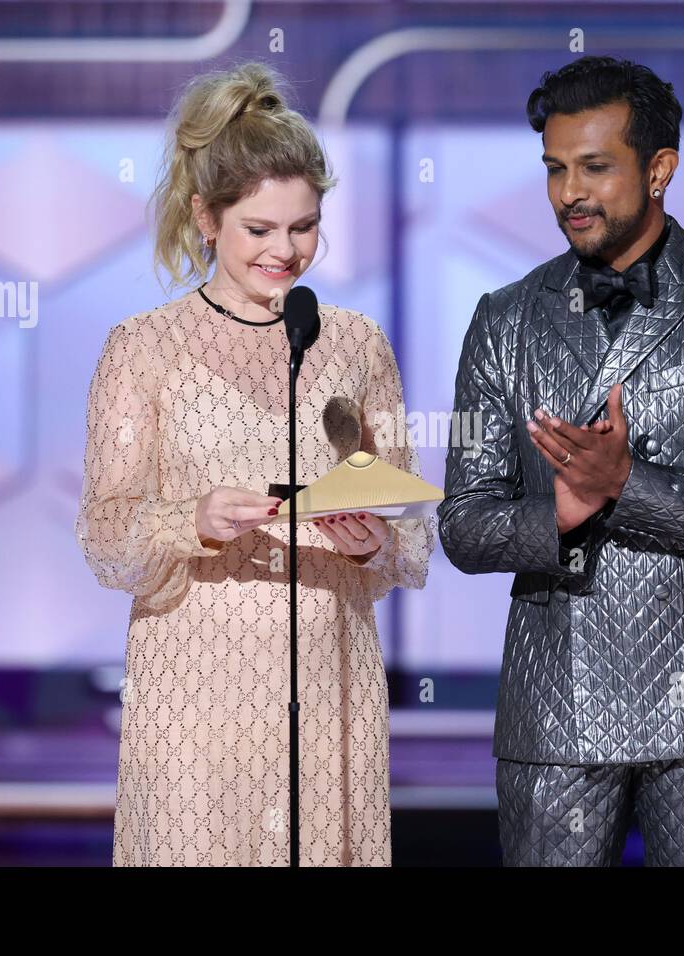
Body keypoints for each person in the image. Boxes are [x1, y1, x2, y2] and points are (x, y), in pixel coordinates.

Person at [438, 55, 684, 866]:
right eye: (555, 169)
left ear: (661, 170)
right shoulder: (504, 320)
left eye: (595, 167)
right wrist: (560, 515)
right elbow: (464, 526)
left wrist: (625, 487)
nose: (569, 192)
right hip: (556, 696)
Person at [75, 61, 434, 866]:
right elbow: (105, 533)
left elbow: (406, 522)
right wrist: (192, 519)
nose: (286, 250)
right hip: (195, 685)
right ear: (206, 217)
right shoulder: (142, 350)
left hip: (329, 675)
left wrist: (375, 537)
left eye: (304, 226)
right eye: (260, 230)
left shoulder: (353, 343)